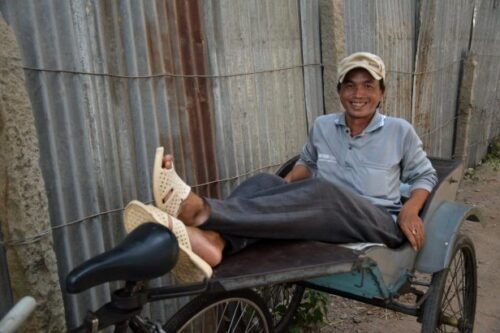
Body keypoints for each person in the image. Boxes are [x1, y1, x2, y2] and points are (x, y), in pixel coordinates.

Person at [123, 52, 438, 283]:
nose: (359, 95)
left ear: (381, 93)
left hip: (375, 220)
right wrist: (279, 189)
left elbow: (425, 175)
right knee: (265, 181)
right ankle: (216, 243)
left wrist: (410, 210)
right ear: (340, 91)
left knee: (325, 193)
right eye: (350, 86)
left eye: (369, 86)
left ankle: (201, 212)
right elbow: (308, 163)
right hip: (325, 215)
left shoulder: (399, 131)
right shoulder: (323, 126)